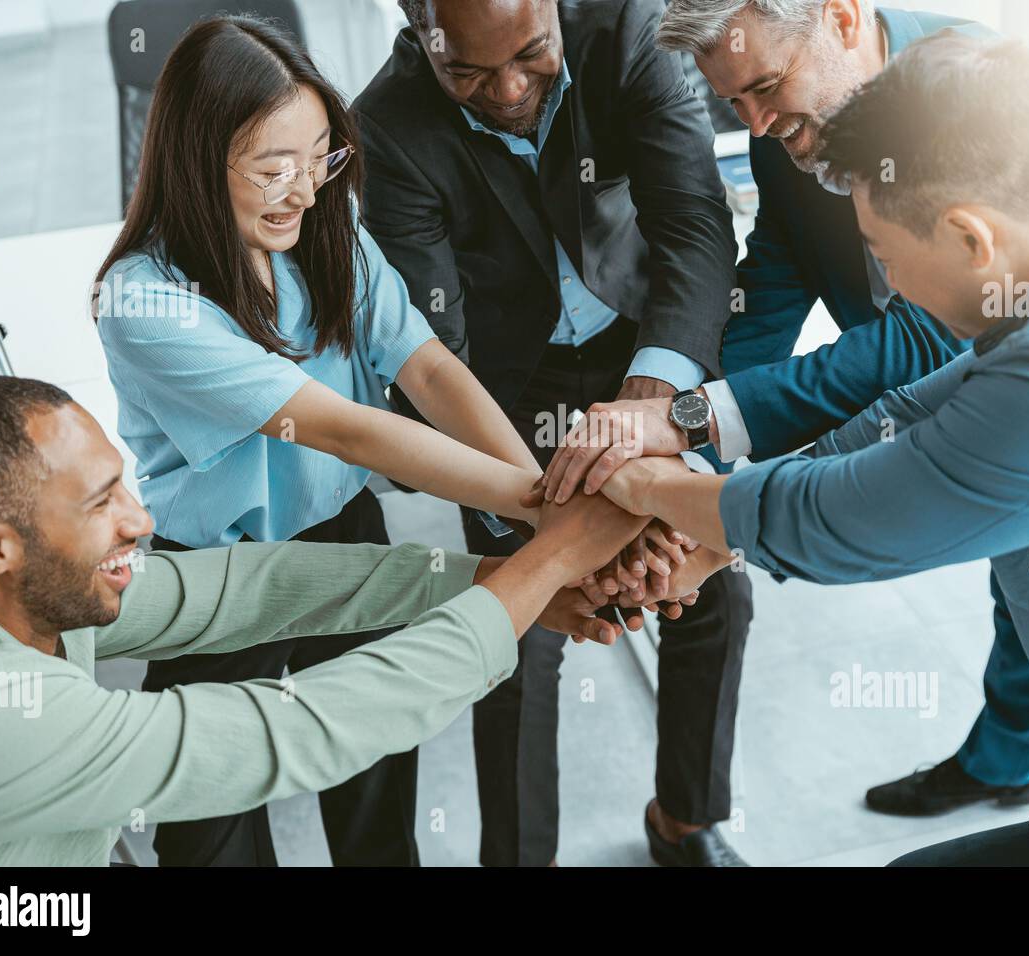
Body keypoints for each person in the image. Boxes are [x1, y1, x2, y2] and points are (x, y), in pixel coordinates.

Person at [565, 33, 1029, 865]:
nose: (889, 289)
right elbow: (908, 415)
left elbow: (835, 520)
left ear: (969, 239)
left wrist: (643, 487)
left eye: (884, 257)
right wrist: (705, 529)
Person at [90, 14, 608, 867]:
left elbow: (429, 369)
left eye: (321, 156)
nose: (305, 188)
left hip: (345, 536)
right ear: (195, 162)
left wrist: (546, 509)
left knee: (374, 784)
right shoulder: (144, 300)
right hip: (220, 574)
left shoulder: (326, 230)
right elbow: (344, 427)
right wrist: (550, 516)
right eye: (272, 168)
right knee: (212, 825)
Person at [0, 376, 681, 866]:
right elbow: (295, 729)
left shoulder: (20, 590)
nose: (139, 520)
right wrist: (549, 560)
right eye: (101, 503)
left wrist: (488, 578)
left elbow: (251, 588)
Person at [351, 0, 754, 867]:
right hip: (498, 395)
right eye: (467, 72)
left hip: (645, 349)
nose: (505, 89)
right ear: (420, 30)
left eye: (533, 55)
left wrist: (648, 424)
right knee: (520, 629)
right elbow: (434, 357)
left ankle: (686, 819)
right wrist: (554, 526)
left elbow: (691, 223)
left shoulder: (630, 34)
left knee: (709, 584)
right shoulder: (388, 126)